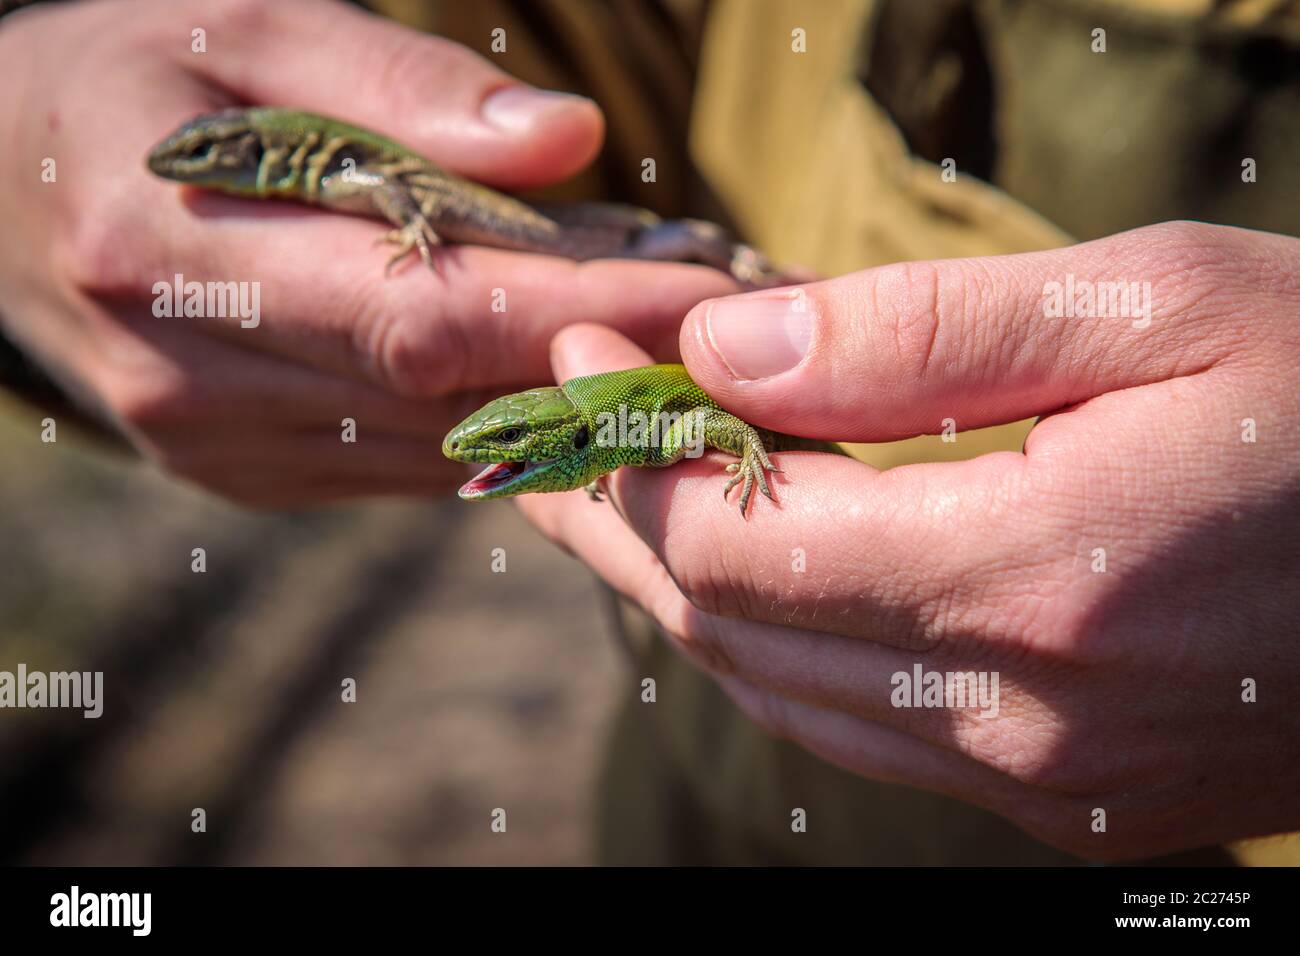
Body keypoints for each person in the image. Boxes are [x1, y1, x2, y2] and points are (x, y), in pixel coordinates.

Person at [0, 0, 1295, 864]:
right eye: (500, 447)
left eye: (503, 445)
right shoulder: (595, 438)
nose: (481, 458)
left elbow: (705, 419)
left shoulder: (634, 428)